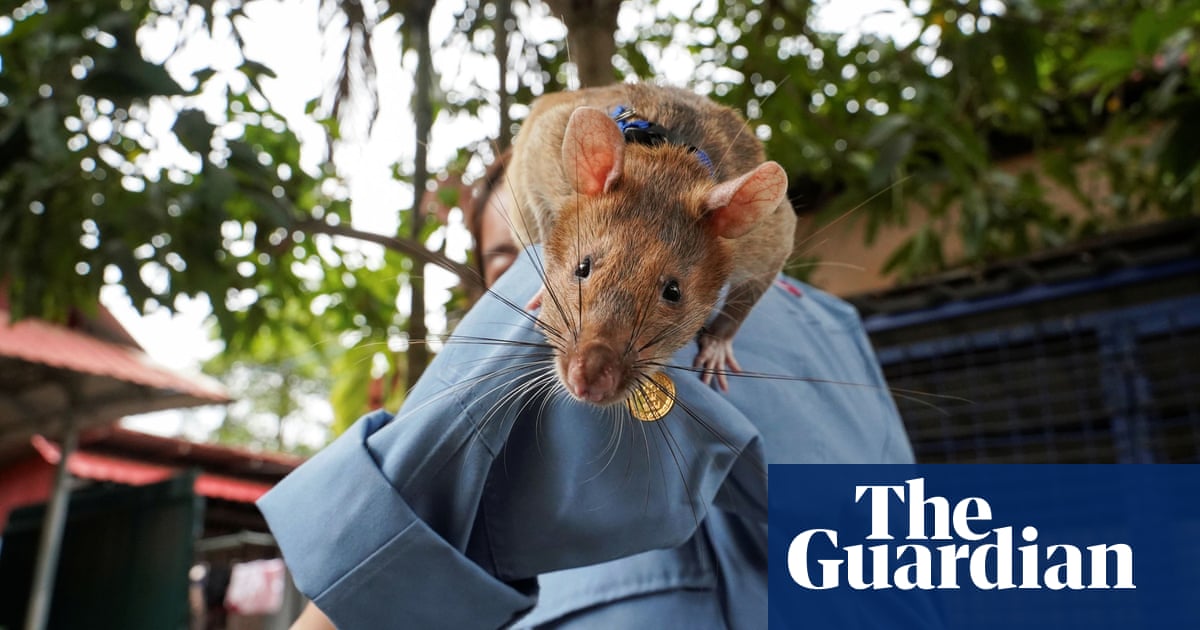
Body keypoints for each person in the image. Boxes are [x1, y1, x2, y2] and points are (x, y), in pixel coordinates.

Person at [260, 157, 915, 629]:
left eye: (530, 252)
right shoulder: (827, 321)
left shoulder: (546, 298)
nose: (521, 280)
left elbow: (374, 558)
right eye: (506, 261)